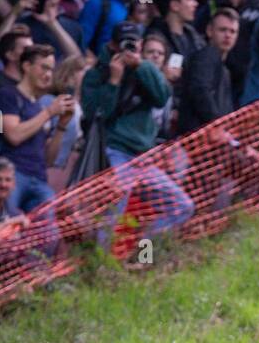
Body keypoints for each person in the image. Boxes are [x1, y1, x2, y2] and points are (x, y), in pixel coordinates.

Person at [81, 21, 194, 239]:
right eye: (124, 43)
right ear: (113, 45)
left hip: (143, 158)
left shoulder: (146, 68)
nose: (129, 47)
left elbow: (162, 97)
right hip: (113, 153)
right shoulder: (97, 74)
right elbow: (98, 115)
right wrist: (114, 81)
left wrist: (140, 66)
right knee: (112, 214)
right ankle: (100, 266)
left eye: (134, 42)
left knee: (183, 206)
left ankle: (142, 251)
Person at [0, 45, 76, 213]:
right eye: (44, 67)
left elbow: (48, 160)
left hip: (39, 178)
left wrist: (61, 126)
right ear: (26, 66)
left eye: (51, 70)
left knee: (50, 234)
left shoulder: (40, 107)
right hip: (13, 175)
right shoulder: (8, 95)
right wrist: (49, 113)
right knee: (8, 231)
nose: (48, 75)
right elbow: (13, 135)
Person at [176, 8, 240, 135]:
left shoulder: (224, 69)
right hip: (197, 140)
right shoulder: (207, 55)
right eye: (222, 30)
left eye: (233, 31)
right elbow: (199, 89)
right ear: (209, 31)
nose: (228, 35)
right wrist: (216, 124)